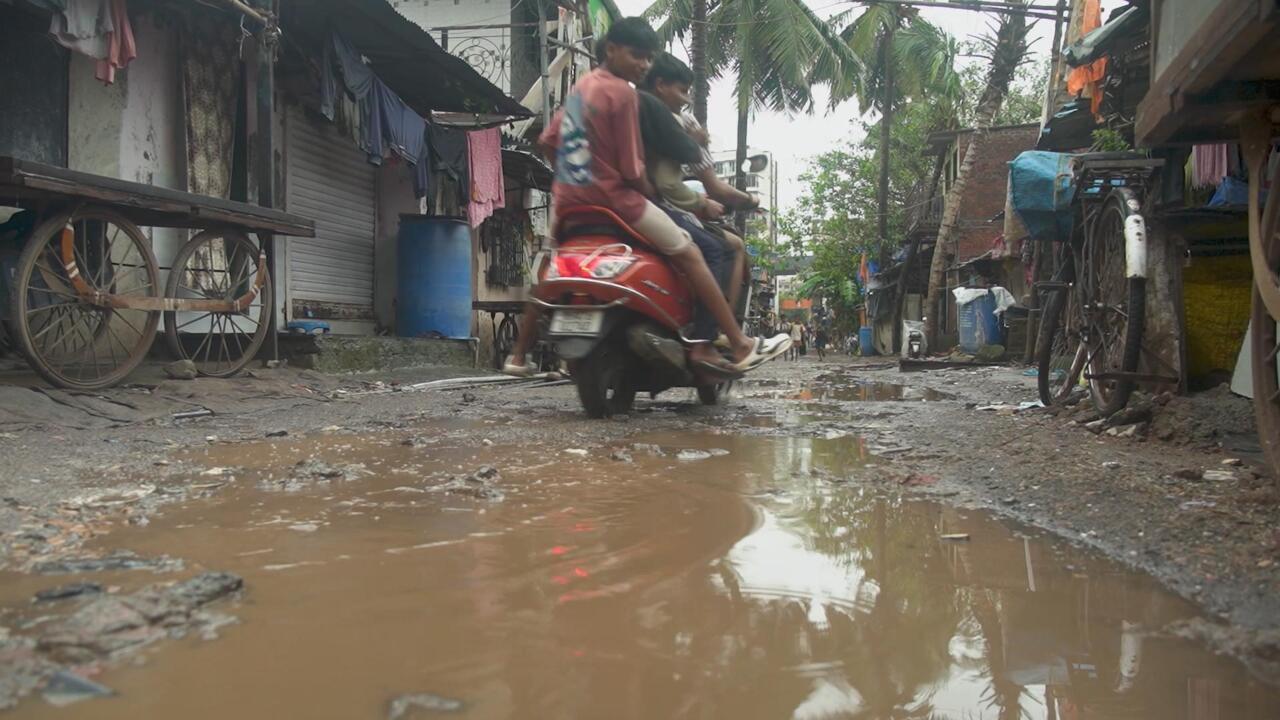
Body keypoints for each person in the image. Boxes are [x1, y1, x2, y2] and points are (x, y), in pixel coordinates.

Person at [503, 18, 788, 377]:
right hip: (617, 202)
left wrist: (570, 177)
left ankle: (517, 356)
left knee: (549, 273)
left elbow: (548, 141)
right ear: (611, 50)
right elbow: (633, 169)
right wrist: (649, 194)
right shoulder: (622, 92)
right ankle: (737, 343)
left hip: (571, 205)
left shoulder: (581, 88)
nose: (643, 65)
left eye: (648, 58)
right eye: (637, 55)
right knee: (693, 253)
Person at [641, 54, 754, 315]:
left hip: (607, 200)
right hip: (651, 206)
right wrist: (746, 201)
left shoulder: (617, 102)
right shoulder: (677, 122)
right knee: (724, 249)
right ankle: (714, 332)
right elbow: (674, 185)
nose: (686, 99)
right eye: (682, 91)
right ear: (660, 84)